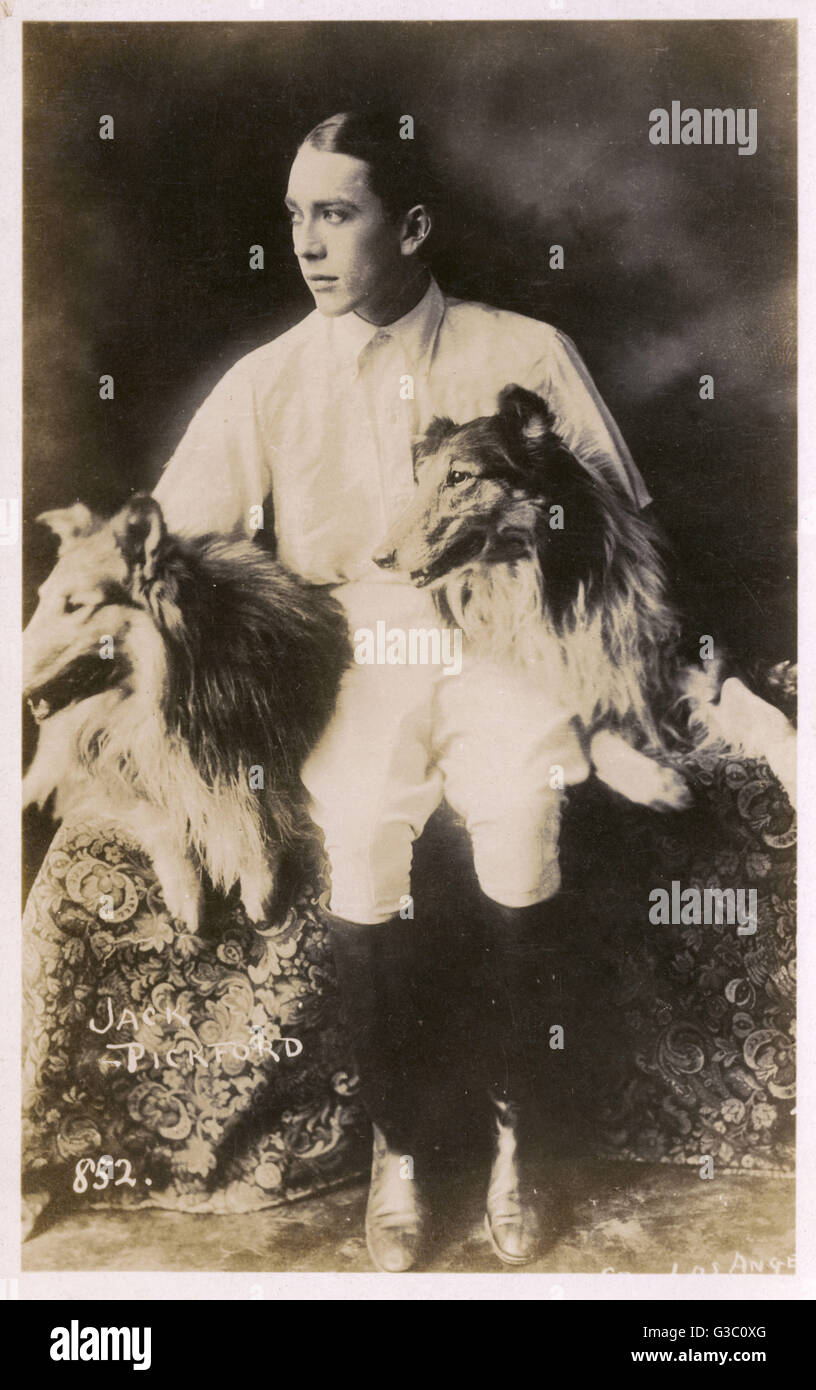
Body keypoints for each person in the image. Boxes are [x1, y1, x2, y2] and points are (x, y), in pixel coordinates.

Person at [153, 109, 651, 1273]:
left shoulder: (519, 349)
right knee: (367, 833)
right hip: (359, 639)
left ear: (413, 225)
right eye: (294, 218)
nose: (308, 243)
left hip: (509, 634)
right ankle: (402, 1146)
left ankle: (522, 1135)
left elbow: (616, 513)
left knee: (521, 820)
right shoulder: (268, 381)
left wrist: (532, 546)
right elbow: (165, 542)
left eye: (336, 213)